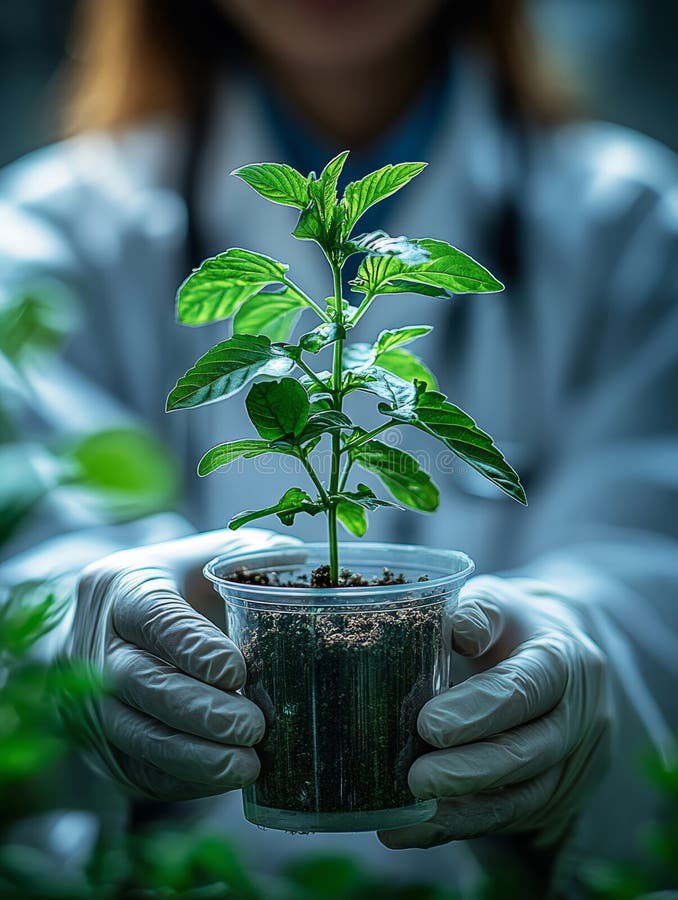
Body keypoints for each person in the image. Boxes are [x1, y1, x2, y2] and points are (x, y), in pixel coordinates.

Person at [0, 0, 676, 892]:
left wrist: (580, 670)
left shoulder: (630, 224)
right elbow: (32, 543)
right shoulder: (49, 231)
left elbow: (655, 571)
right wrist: (88, 647)